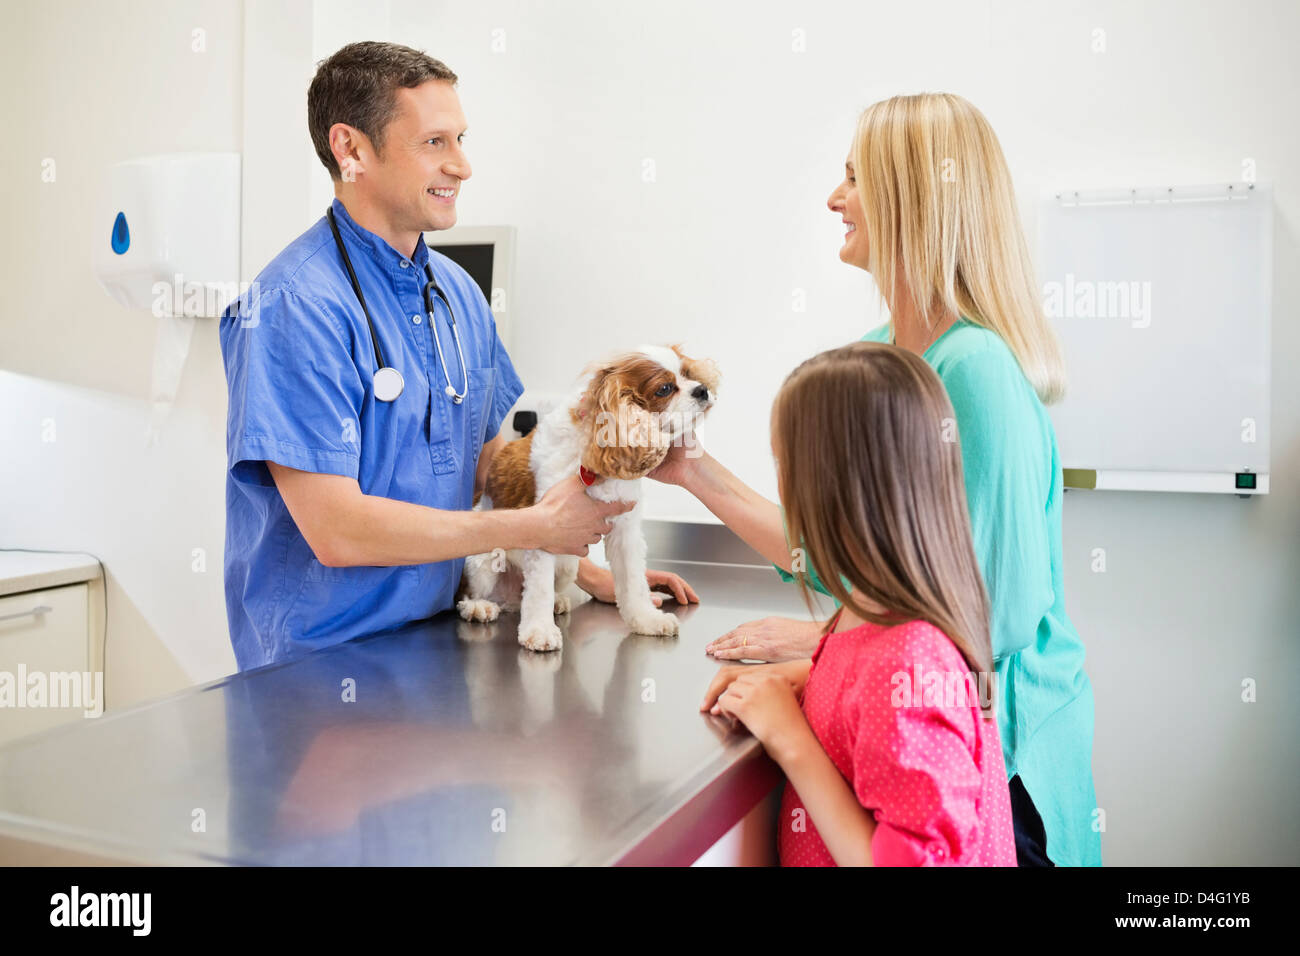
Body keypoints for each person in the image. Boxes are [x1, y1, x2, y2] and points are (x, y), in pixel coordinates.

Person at [657, 93, 1100, 866]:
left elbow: (987, 615)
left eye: (855, 179)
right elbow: (836, 551)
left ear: (914, 197)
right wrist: (690, 469)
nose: (835, 199)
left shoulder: (979, 374)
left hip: (1002, 759)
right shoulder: (884, 350)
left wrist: (830, 659)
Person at [219, 42, 695, 671]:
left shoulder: (459, 295)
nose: (463, 166)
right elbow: (336, 530)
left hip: (438, 640)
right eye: (435, 143)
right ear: (351, 149)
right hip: (317, 663)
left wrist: (583, 569)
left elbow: (487, 467)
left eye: (461, 139)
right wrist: (531, 531)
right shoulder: (292, 306)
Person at [701, 343, 1015, 866]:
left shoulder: (911, 660)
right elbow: (861, 687)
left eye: (784, 463)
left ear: (831, 486)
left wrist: (789, 737)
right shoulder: (869, 614)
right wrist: (797, 679)